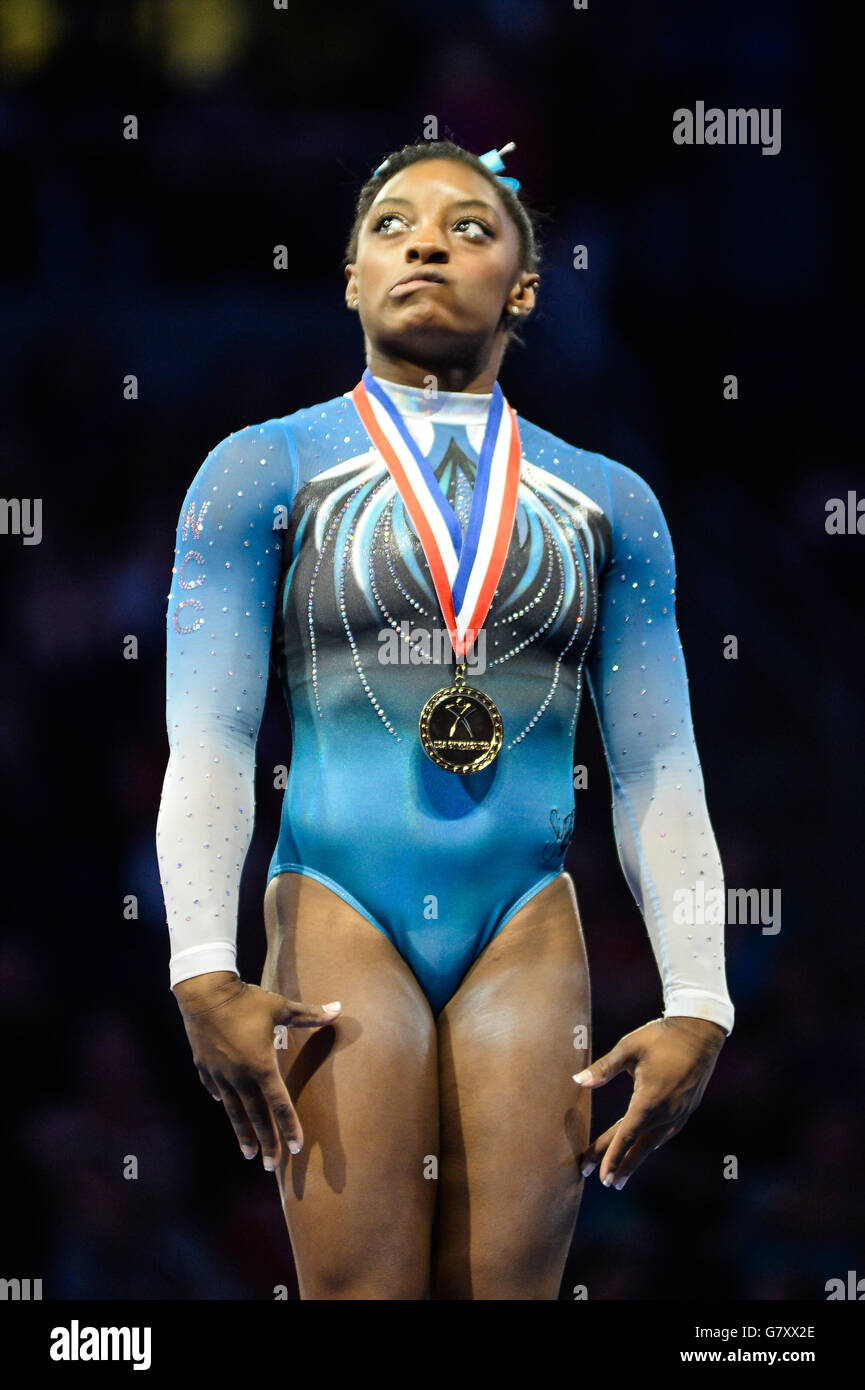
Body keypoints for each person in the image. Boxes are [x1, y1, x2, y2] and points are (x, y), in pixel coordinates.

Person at [155, 137, 734, 1301]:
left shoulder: (612, 503)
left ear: (524, 285)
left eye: (469, 227)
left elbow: (661, 767)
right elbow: (210, 739)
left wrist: (700, 1000)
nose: (426, 240)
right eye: (392, 226)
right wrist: (200, 967)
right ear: (352, 279)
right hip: (336, 902)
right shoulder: (259, 469)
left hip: (524, 922)